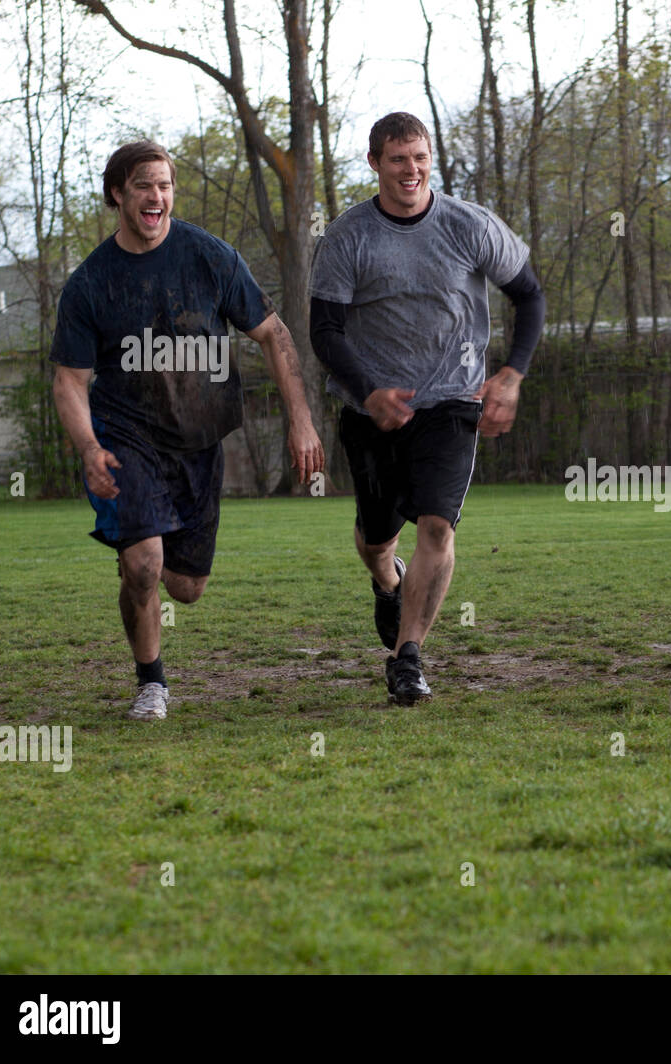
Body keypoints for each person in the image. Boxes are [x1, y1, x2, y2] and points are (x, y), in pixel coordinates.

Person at [52, 140, 325, 720]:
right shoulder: (90, 284)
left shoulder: (211, 258)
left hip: (199, 441)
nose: (157, 196)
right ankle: (152, 682)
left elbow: (274, 335)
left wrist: (301, 421)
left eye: (165, 185)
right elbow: (70, 381)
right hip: (126, 438)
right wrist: (89, 447)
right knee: (145, 563)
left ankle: (136, 567)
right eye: (145, 185)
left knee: (185, 587)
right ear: (117, 194)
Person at [309, 112, 545, 705]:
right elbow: (325, 330)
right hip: (373, 411)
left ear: (430, 157)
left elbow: (528, 293)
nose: (410, 169)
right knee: (375, 538)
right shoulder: (347, 236)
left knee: (438, 525)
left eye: (419, 157)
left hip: (451, 401)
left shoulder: (471, 225)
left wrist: (511, 376)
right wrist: (367, 391)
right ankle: (387, 584)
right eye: (396, 159)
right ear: (374, 164)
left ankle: (407, 657)